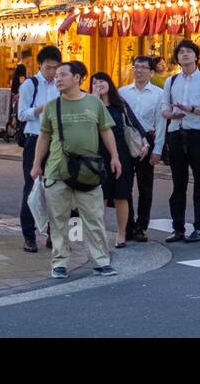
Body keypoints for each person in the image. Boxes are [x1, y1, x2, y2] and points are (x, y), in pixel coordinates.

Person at [31, 61, 122, 278]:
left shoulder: (94, 103)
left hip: (88, 171)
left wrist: (115, 157)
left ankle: (100, 261)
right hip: (57, 171)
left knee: (94, 218)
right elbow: (44, 136)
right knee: (59, 220)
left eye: (63, 75)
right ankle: (59, 263)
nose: (58, 78)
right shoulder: (53, 106)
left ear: (78, 78)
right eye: (56, 76)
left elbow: (106, 130)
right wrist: (37, 163)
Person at [159, 39, 200, 244]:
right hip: (176, 133)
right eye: (181, 52)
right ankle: (178, 228)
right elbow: (164, 109)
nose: (185, 55)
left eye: (188, 52)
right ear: (177, 58)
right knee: (178, 183)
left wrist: (191, 109)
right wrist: (173, 115)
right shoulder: (171, 81)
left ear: (196, 55)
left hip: (198, 134)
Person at [17, 45, 61, 252]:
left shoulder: (61, 84)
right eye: (48, 68)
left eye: (55, 68)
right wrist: (42, 108)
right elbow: (22, 114)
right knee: (32, 187)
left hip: (56, 140)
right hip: (34, 139)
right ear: (40, 65)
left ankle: (53, 234)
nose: (52, 72)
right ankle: (29, 235)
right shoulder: (30, 84)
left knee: (56, 188)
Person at [91, 72, 142, 248]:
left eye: (102, 80)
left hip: (122, 153)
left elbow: (135, 124)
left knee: (122, 195)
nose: (99, 84)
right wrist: (95, 99)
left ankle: (122, 234)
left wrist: (144, 143)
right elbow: (88, 123)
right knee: (101, 196)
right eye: (95, 82)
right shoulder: (90, 104)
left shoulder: (120, 104)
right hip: (98, 154)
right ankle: (99, 234)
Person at [119, 56, 164, 242]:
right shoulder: (122, 92)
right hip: (126, 141)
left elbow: (161, 123)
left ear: (151, 72)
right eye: (136, 67)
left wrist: (157, 150)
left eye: (144, 67)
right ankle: (128, 225)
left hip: (148, 140)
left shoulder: (158, 94)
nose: (139, 71)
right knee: (125, 185)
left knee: (145, 187)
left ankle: (142, 226)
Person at [7, 64, 28, 141]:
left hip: (14, 93)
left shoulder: (16, 67)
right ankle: (20, 135)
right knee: (19, 114)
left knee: (15, 114)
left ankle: (16, 133)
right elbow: (22, 82)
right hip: (18, 94)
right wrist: (20, 93)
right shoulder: (22, 67)